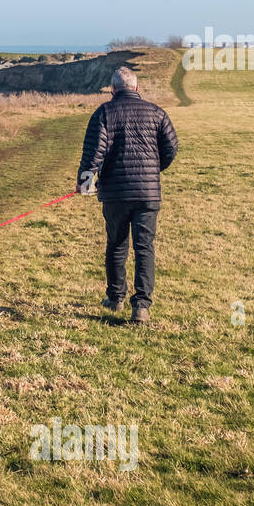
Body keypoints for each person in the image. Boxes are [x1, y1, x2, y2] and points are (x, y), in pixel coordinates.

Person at [77, 67, 178, 323]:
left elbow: (93, 153)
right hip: (148, 192)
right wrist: (153, 169)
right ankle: (141, 306)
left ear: (113, 89)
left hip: (115, 193)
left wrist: (85, 184)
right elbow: (170, 148)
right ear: (137, 87)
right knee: (144, 248)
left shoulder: (104, 113)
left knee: (116, 245)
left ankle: (115, 298)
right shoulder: (157, 112)